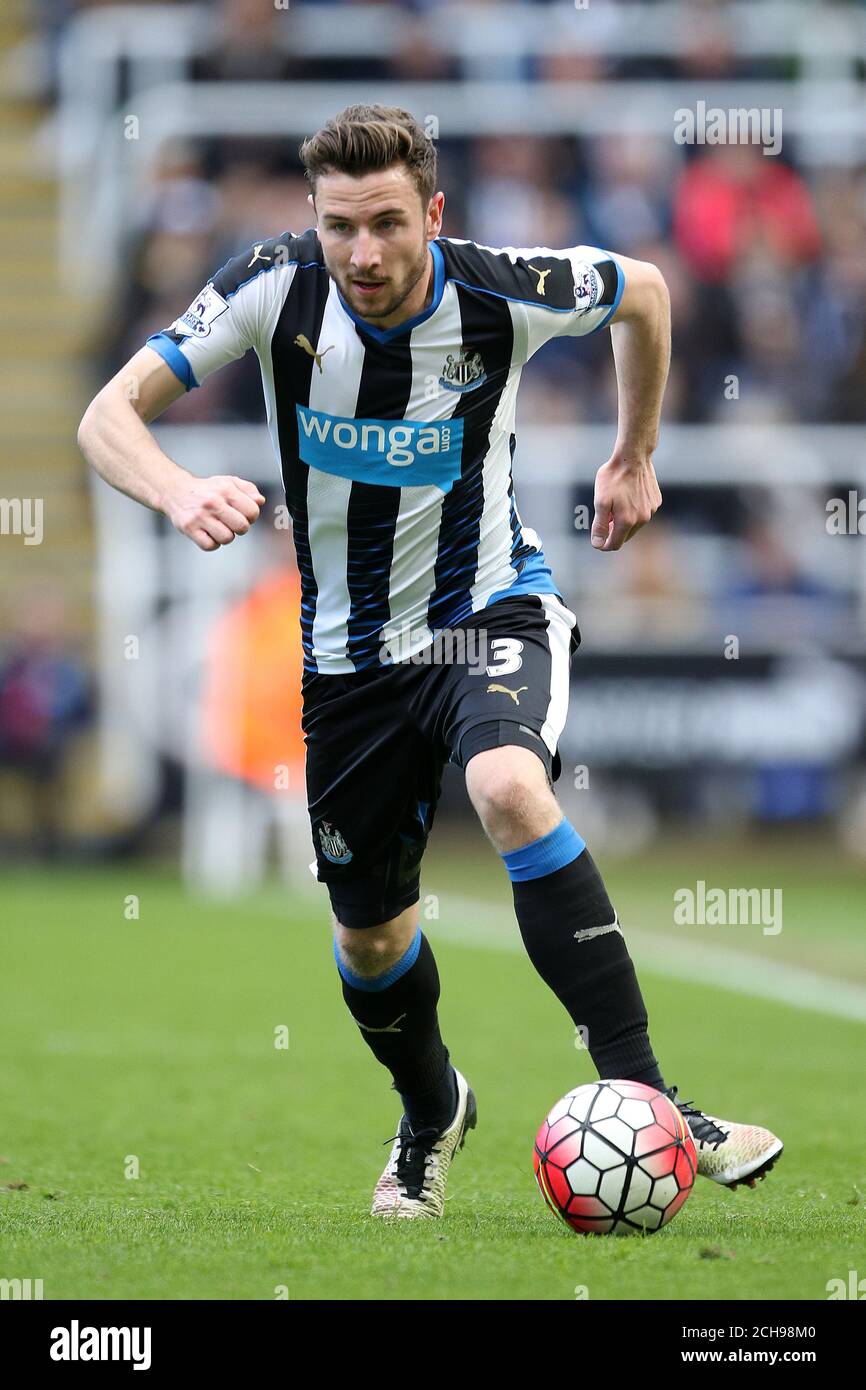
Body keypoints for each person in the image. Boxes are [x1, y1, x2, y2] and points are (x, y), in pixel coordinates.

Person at [78, 104, 782, 1220]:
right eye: (340, 226)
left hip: (486, 614)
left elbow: (642, 289)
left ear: (432, 215)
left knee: (507, 783)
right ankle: (430, 1110)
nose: (361, 253)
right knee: (368, 938)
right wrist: (175, 490)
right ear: (313, 219)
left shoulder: (499, 286)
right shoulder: (271, 284)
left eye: (387, 225)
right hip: (347, 661)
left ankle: (652, 1101)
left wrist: (632, 454)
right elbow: (107, 415)